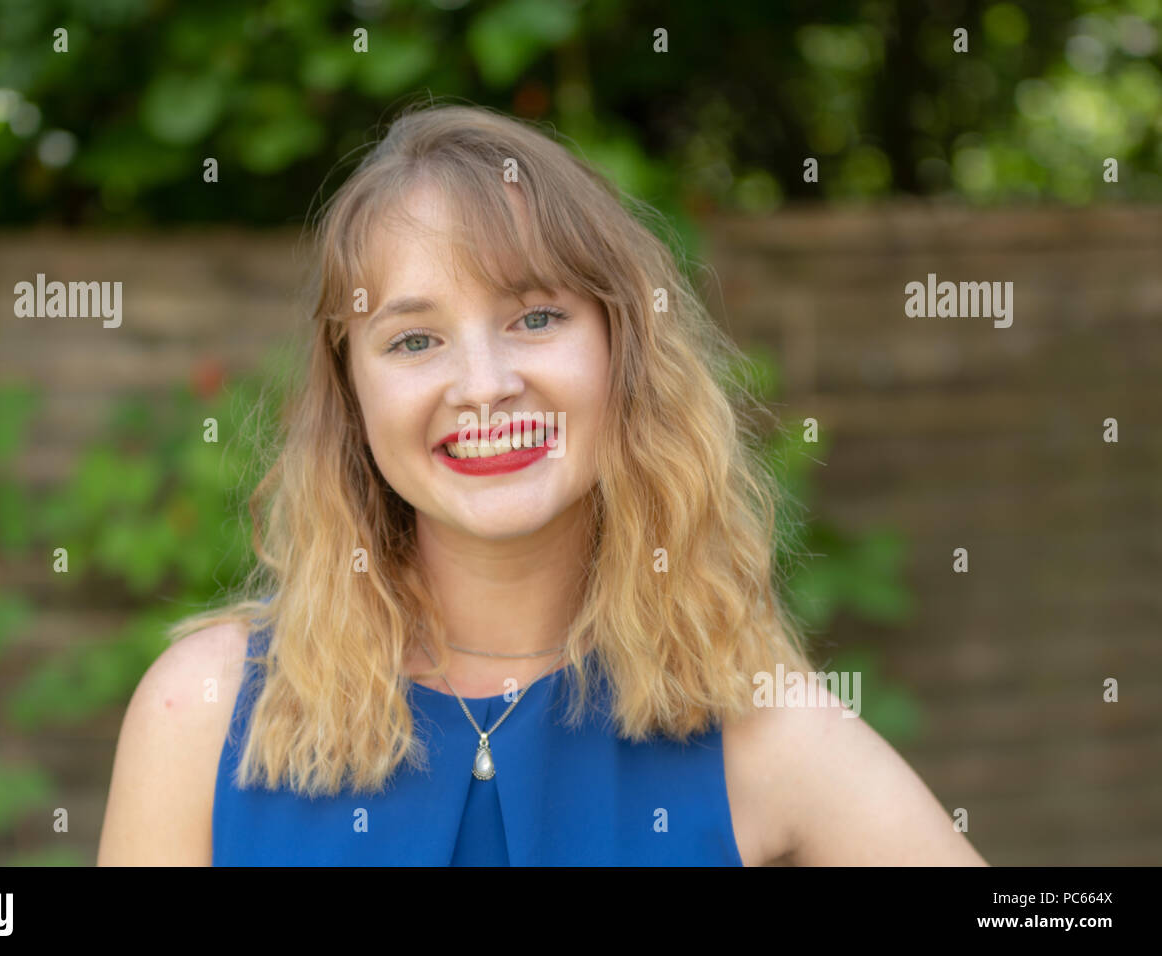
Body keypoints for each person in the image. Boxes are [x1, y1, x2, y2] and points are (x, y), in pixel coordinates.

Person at [97, 98, 987, 866]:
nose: (483, 384)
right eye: (415, 339)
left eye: (535, 316)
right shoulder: (203, 712)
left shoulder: (758, 731)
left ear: (622, 350)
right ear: (351, 397)